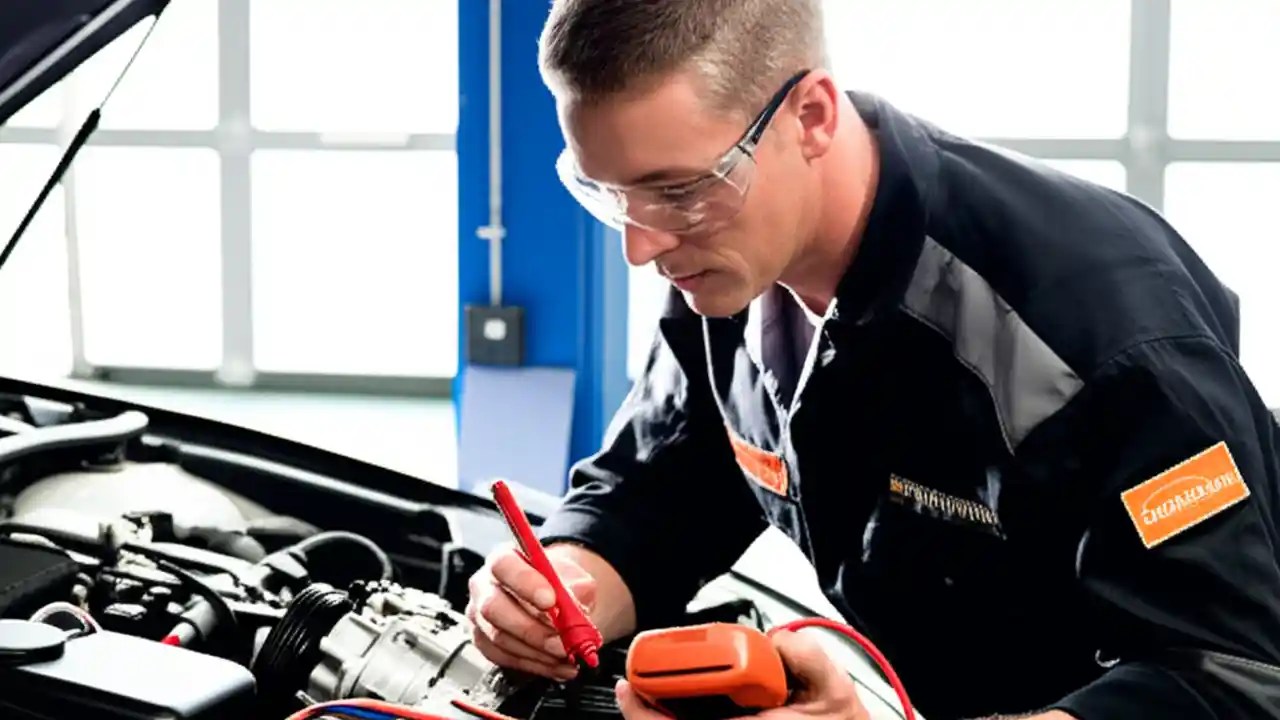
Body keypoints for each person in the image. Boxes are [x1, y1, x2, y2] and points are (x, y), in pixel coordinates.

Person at [465, 1, 1280, 718]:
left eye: (676, 193)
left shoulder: (1098, 335)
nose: (641, 248)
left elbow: (1233, 681)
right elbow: (668, 479)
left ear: (812, 115)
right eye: (609, 194)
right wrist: (567, 583)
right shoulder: (728, 256)